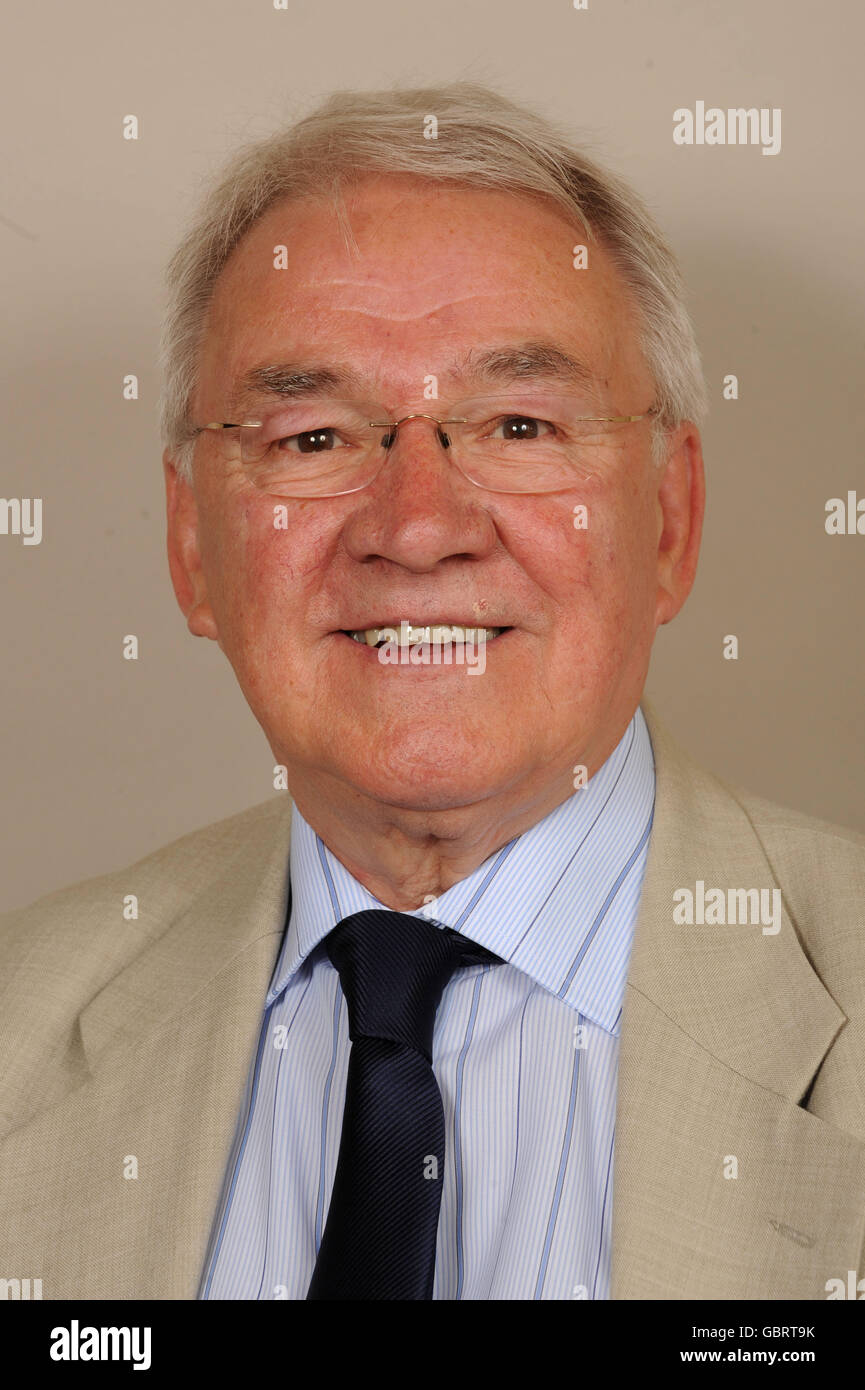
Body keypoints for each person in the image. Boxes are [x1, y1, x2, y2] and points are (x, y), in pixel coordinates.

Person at [2, 82, 864, 1302]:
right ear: (191, 545)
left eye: (518, 425)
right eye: (312, 439)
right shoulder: (18, 1025)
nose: (416, 528)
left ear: (668, 520)